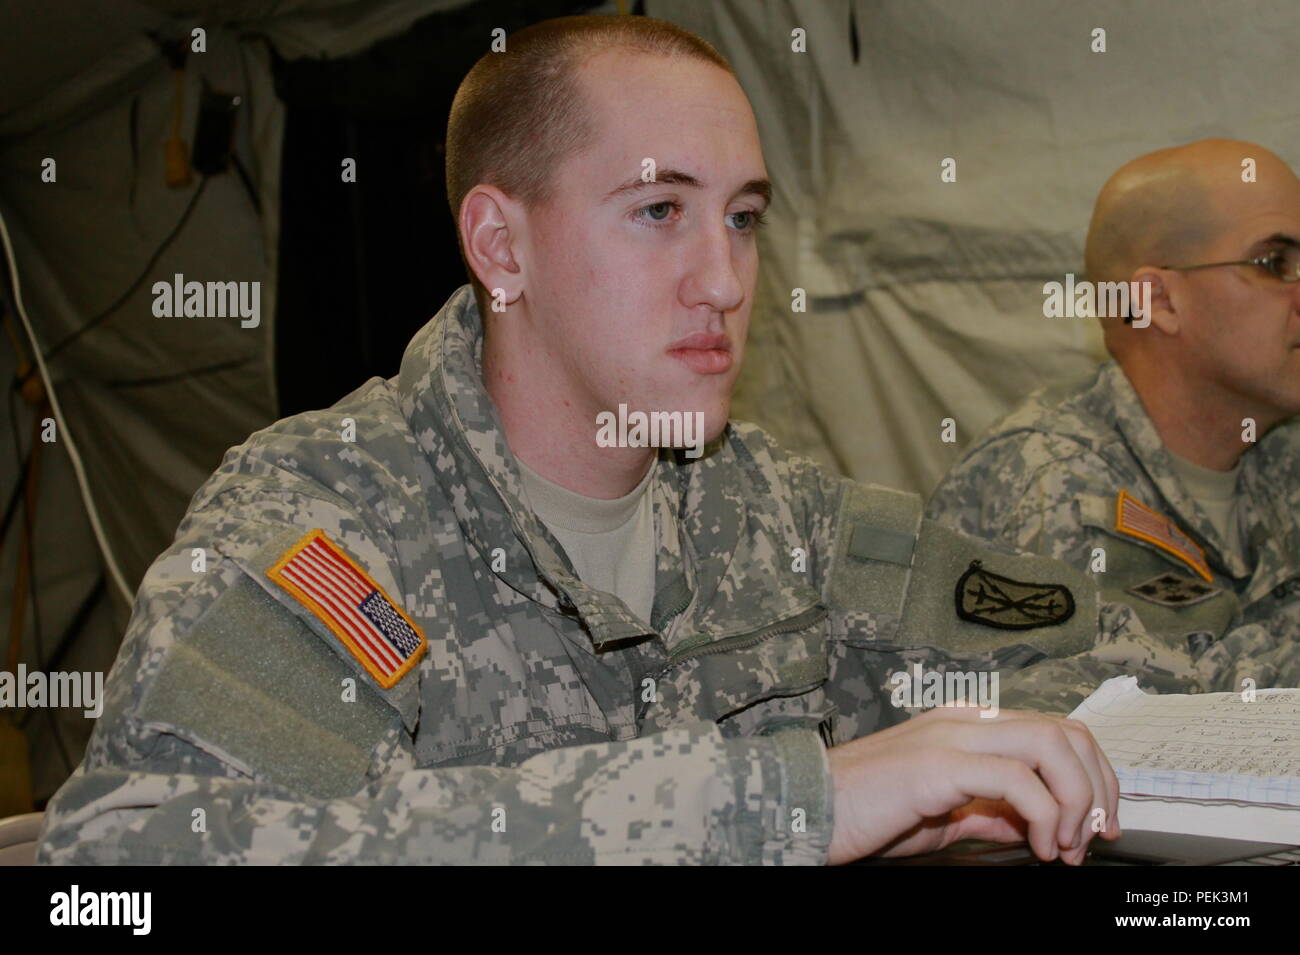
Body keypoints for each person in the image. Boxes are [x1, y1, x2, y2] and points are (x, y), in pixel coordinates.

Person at [37, 14, 1126, 866]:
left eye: (742, 217)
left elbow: (1080, 642)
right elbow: (132, 856)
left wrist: (970, 776)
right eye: (661, 210)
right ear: (500, 245)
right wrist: (796, 803)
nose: (724, 279)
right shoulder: (328, 517)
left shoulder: (775, 510)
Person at [927, 139, 1300, 712]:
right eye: (1276, 263)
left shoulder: (1279, 454)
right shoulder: (1053, 476)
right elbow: (1117, 716)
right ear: (1158, 301)